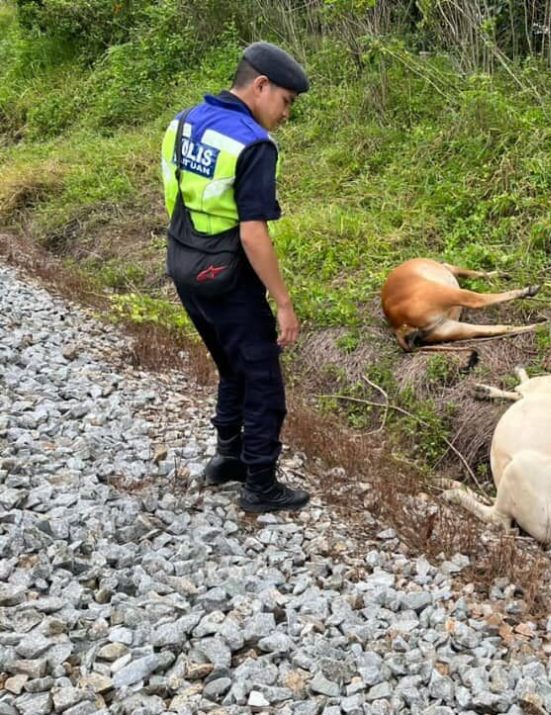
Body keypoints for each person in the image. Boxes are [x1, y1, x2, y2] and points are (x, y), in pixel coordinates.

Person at [160, 41, 310, 512]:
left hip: (184, 266)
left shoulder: (182, 122)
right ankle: (261, 484)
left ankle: (228, 456)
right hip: (230, 277)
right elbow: (252, 234)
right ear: (261, 85)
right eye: (285, 102)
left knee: (230, 365)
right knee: (263, 377)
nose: (286, 114)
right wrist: (282, 301)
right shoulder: (254, 144)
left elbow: (175, 195)